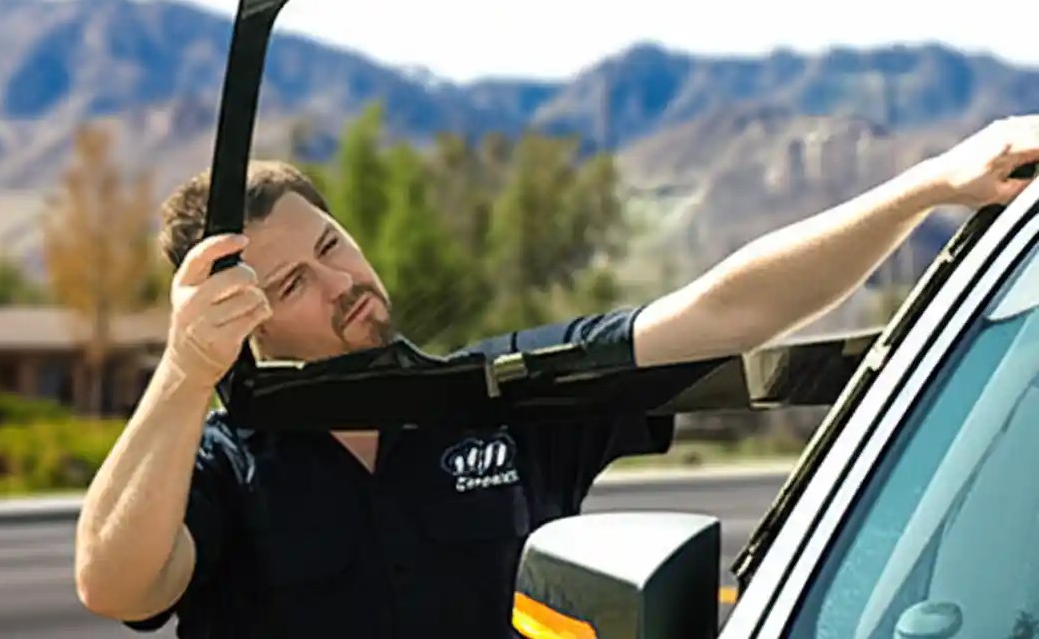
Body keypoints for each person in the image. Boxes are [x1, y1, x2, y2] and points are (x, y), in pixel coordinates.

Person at [74, 116, 1039, 638]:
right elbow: (116, 584)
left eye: (333, 245)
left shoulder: (496, 396)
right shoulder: (215, 466)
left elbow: (722, 313)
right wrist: (186, 372)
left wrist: (929, 186)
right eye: (291, 283)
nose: (344, 284)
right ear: (238, 322)